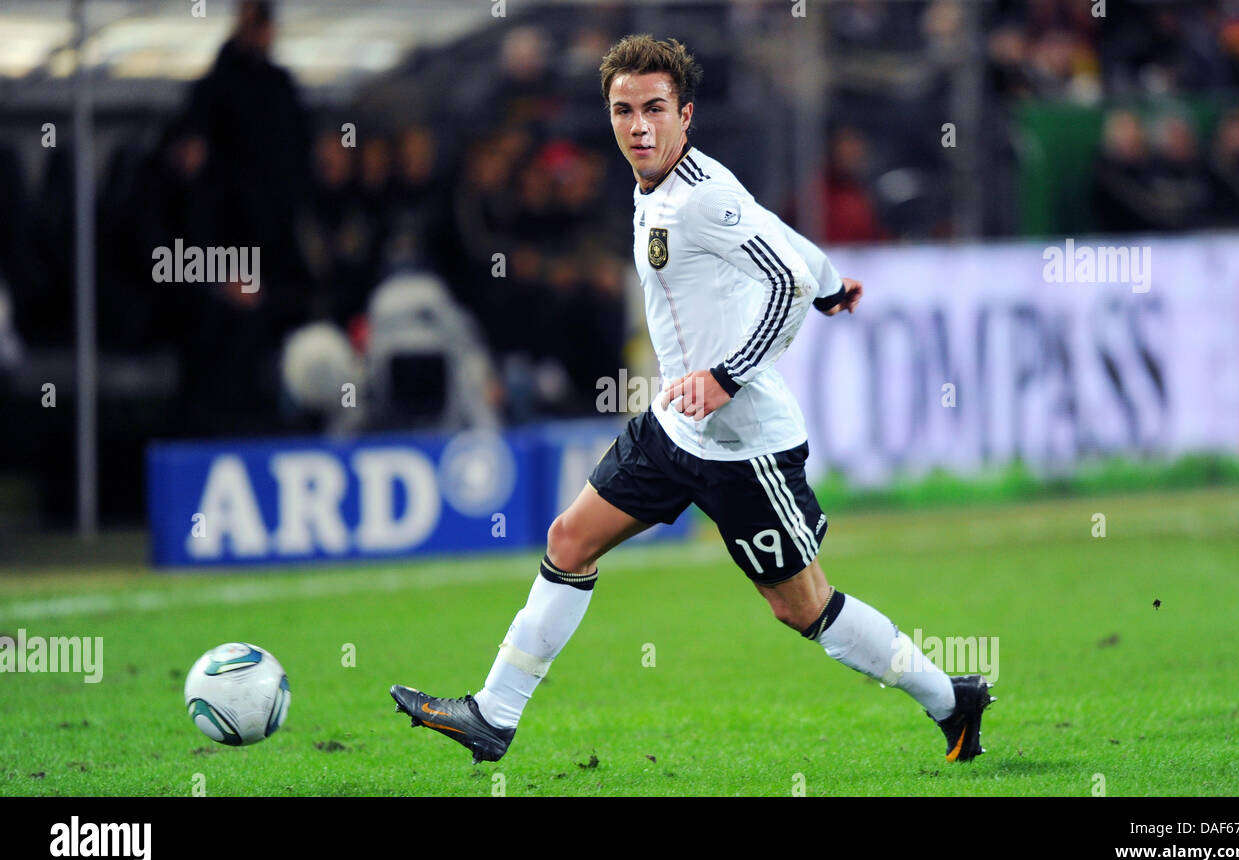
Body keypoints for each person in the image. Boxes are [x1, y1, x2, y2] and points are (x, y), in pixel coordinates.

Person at [391, 34, 995, 765]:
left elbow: (785, 283)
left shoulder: (701, 199)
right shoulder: (664, 189)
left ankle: (950, 699)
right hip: (675, 432)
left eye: (653, 109)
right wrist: (834, 282)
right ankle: (494, 714)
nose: (637, 126)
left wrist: (729, 372)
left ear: (686, 115)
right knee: (568, 542)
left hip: (744, 444)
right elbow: (788, 246)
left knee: (802, 607)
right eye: (622, 110)